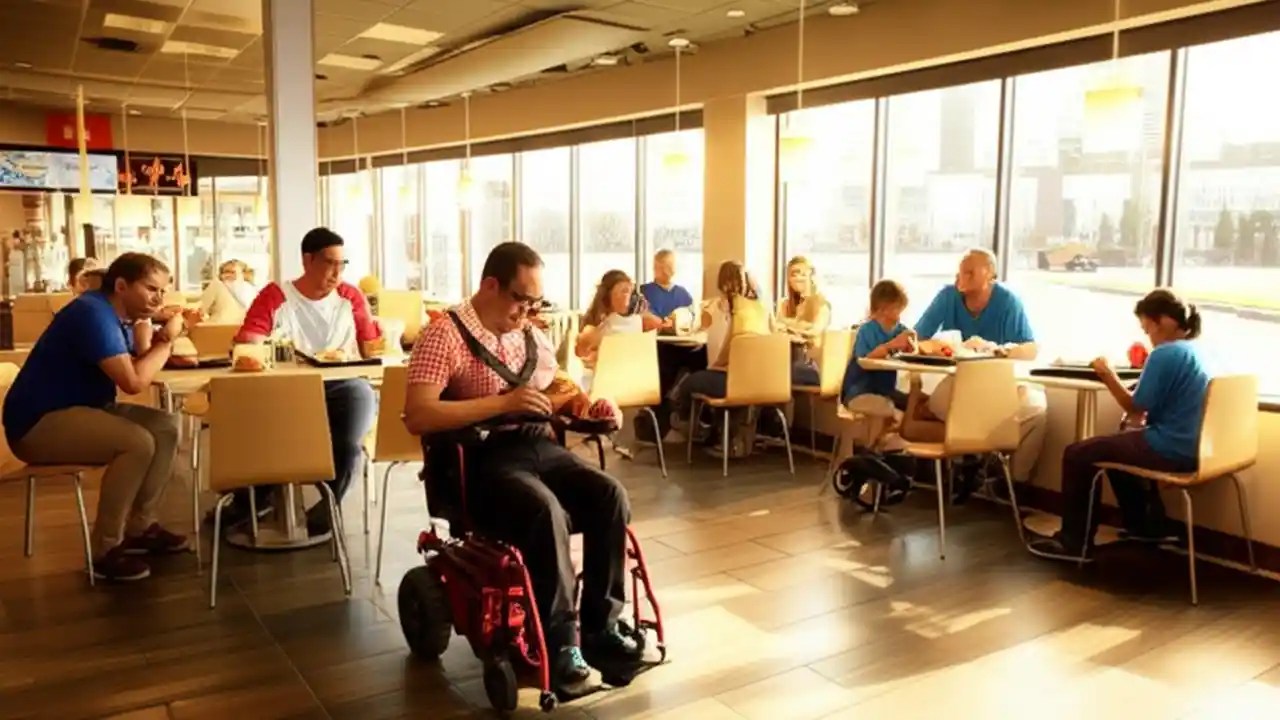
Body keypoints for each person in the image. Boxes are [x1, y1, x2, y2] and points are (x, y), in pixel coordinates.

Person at [403, 241, 640, 696]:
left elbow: (557, 387)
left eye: (535, 301)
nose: (526, 310)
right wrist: (502, 403)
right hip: (480, 458)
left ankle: (601, 625)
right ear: (490, 285)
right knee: (542, 509)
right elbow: (419, 414)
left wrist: (587, 405)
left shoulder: (530, 333)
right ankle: (560, 642)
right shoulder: (445, 335)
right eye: (520, 299)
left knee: (609, 495)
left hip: (538, 445)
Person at [3, 253, 187, 581]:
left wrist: (149, 320)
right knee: (137, 443)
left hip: (85, 408)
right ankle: (105, 550)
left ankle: (141, 528)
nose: (160, 299)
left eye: (163, 291)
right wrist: (168, 339)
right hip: (37, 423)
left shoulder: (115, 313)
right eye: (151, 289)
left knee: (166, 426)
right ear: (120, 285)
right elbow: (133, 382)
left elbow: (140, 357)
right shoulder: (93, 315)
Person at [1027, 290, 1208, 561]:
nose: (1149, 336)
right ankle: (1147, 526)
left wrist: (1107, 373)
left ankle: (1074, 542)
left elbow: (1135, 406)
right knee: (1113, 450)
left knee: (1078, 454)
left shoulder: (1165, 354)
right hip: (1199, 447)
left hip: (1170, 447)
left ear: (1161, 322)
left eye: (1147, 328)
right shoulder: (1195, 352)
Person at [234, 227, 379, 534]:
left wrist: (378, 328)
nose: (337, 272)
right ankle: (256, 496)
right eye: (330, 263)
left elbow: (370, 348)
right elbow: (248, 343)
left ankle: (326, 508)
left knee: (353, 431)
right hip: (287, 388)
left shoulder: (350, 296)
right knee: (269, 432)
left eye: (342, 264)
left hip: (343, 384)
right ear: (307, 261)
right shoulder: (276, 295)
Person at [914, 248, 1047, 489]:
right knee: (943, 403)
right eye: (960, 271)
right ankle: (972, 461)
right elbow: (917, 338)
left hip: (996, 386)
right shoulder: (947, 296)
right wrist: (940, 347)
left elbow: (1030, 348)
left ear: (991, 275)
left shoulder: (1008, 302)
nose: (961, 277)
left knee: (1038, 409)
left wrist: (1001, 351)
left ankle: (1013, 483)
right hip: (957, 383)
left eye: (969, 272)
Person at [670, 261, 772, 441]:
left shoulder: (726, 309)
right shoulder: (762, 309)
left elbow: (728, 348)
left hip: (733, 380)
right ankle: (719, 434)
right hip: (761, 381)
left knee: (689, 383)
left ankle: (684, 423)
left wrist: (716, 365)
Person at [841, 280, 915, 417]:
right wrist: (892, 345)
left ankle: (897, 431)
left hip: (886, 391)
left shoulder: (900, 330)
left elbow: (913, 350)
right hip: (859, 391)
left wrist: (912, 345)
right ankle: (889, 429)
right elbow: (864, 359)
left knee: (915, 403)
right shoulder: (867, 330)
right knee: (887, 407)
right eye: (896, 309)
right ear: (882, 309)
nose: (899, 314)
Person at [576, 270, 643, 390]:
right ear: (608, 296)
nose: (630, 297)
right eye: (623, 291)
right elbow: (581, 355)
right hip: (602, 386)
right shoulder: (593, 329)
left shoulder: (637, 321)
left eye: (630, 292)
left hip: (629, 385)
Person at [777, 256, 832, 386]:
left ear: (811, 276)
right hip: (786, 356)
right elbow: (776, 327)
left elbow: (814, 330)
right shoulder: (785, 304)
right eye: (793, 275)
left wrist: (789, 327)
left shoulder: (821, 304)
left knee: (782, 370)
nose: (797, 278)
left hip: (811, 361)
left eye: (802, 273)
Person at [639, 249, 694, 330]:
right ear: (654, 268)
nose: (665, 271)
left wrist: (676, 323)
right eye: (661, 267)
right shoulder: (644, 291)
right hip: (651, 338)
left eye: (668, 266)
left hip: (678, 340)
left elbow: (691, 317)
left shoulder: (683, 294)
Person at [198, 259, 258, 324]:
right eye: (225, 272)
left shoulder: (250, 290)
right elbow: (201, 309)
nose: (228, 275)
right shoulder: (217, 285)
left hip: (223, 329)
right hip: (220, 328)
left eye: (232, 272)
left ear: (242, 274)